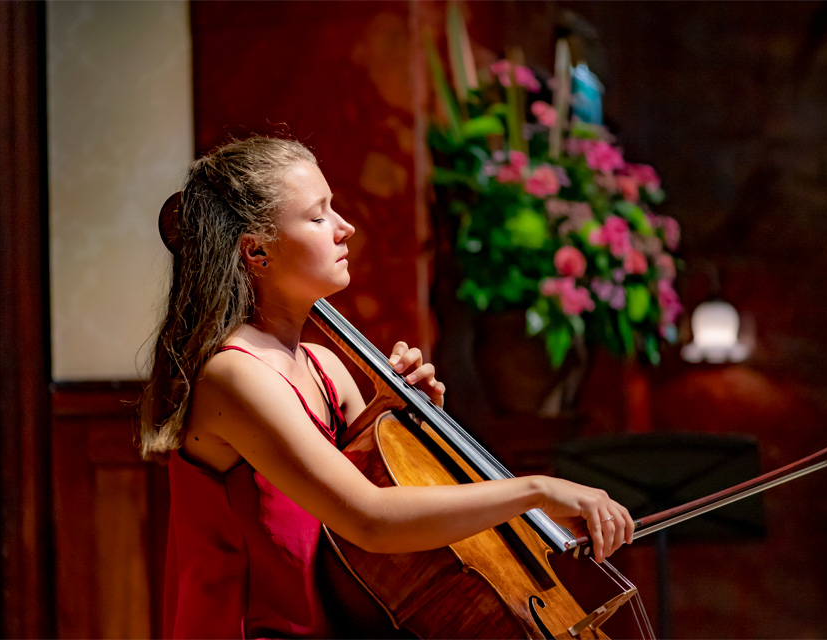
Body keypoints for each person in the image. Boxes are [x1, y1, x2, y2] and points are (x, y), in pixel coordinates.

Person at [139, 135, 634, 639]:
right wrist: (536, 490)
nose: (344, 227)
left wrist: (402, 420)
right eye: (318, 216)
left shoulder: (326, 367)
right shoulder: (233, 376)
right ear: (257, 251)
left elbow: (396, 509)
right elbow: (372, 520)